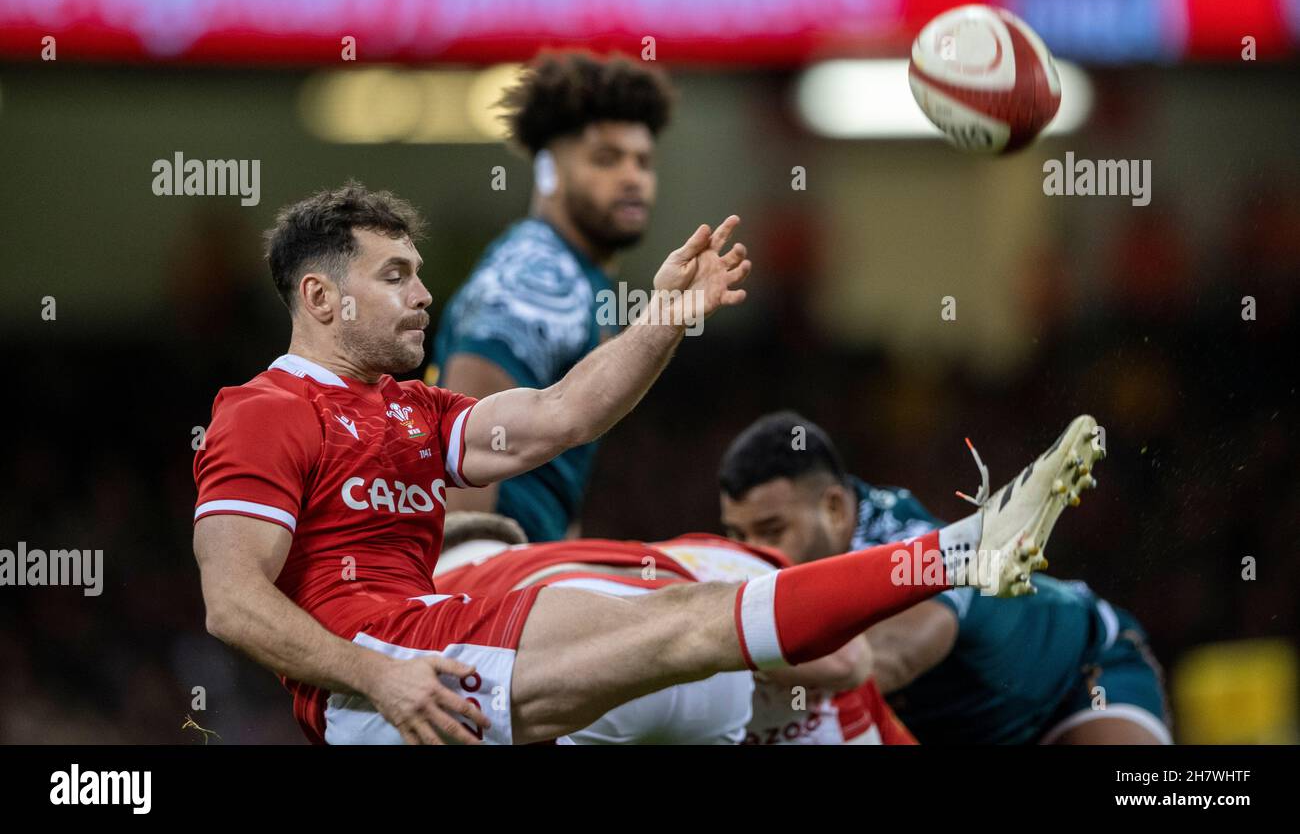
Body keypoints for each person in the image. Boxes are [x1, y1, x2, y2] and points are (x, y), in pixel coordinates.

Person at [192, 182, 1081, 745]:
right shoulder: (266, 411)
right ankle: (959, 553)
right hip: (391, 678)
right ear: (319, 296)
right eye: (395, 274)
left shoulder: (410, 411)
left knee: (684, 626)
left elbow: (562, 414)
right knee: (685, 623)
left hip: (429, 649)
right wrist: (376, 673)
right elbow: (234, 604)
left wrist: (665, 316)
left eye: (421, 272)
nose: (424, 292)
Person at [717, 411, 1171, 745]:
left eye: (772, 530)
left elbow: (893, 657)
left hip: (1080, 678)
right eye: (737, 534)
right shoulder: (756, 571)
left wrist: (736, 670)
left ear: (834, 509)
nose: (755, 549)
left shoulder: (904, 541)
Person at [428, 52, 674, 540]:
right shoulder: (532, 281)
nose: (632, 177)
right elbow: (465, 467)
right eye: (606, 159)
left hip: (532, 564)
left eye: (642, 161)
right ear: (548, 172)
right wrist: (465, 594)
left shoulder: (579, 275)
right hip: (491, 580)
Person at [432, 517, 912, 745]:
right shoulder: (701, 550)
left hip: (588, 658)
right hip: (704, 662)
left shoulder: (425, 590)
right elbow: (847, 662)